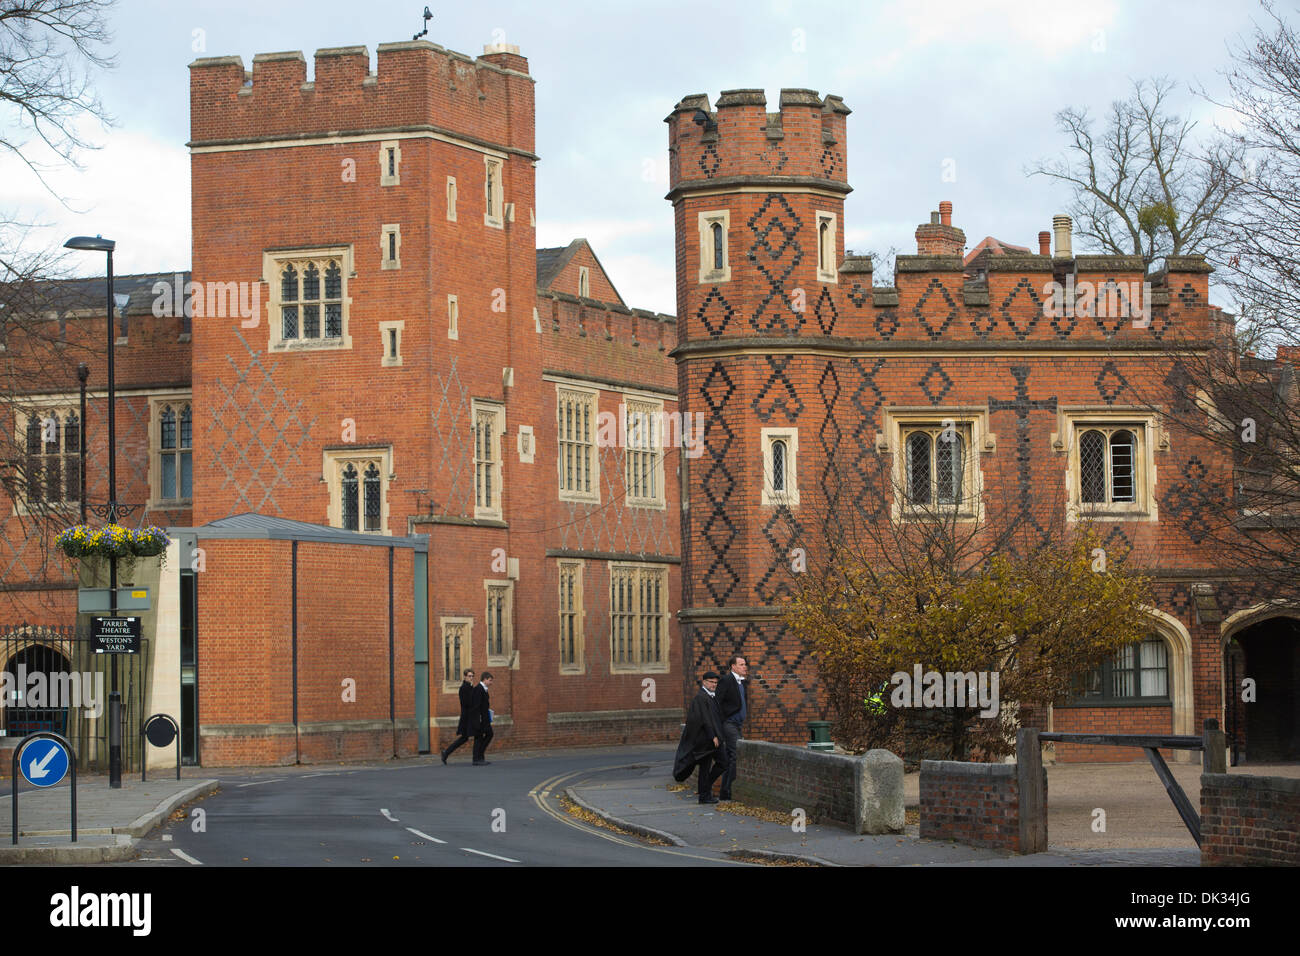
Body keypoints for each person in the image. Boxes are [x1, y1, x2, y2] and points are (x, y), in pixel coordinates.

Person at [673, 670, 726, 804]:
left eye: (715, 682)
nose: (714, 685)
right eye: (711, 682)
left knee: (719, 764)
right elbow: (704, 719)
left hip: (712, 739)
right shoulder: (701, 697)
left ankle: (704, 792)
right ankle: (704, 795)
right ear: (704, 682)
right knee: (713, 765)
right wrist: (712, 735)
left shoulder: (711, 697)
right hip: (707, 740)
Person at [714, 655, 748, 801]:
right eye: (741, 664)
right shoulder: (727, 680)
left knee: (730, 757)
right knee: (736, 754)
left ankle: (725, 792)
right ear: (733, 667)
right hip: (729, 723)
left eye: (745, 664)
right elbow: (717, 702)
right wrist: (720, 724)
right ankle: (728, 790)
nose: (745, 667)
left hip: (737, 724)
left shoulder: (741, 682)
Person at [440, 668, 475, 764]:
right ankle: (477, 757)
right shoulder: (464, 688)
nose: (471, 678)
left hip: (470, 717)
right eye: (469, 676)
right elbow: (466, 703)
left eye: (472, 676)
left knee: (466, 737)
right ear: (465, 677)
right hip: (466, 717)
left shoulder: (470, 687)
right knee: (467, 737)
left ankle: (446, 753)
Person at [470, 671, 494, 765]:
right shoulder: (478, 689)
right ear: (484, 679)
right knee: (479, 738)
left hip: (485, 718)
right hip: (480, 719)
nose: (491, 683)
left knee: (486, 735)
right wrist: (478, 718)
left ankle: (480, 756)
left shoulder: (484, 689)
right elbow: (476, 706)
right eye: (490, 680)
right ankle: (477, 758)